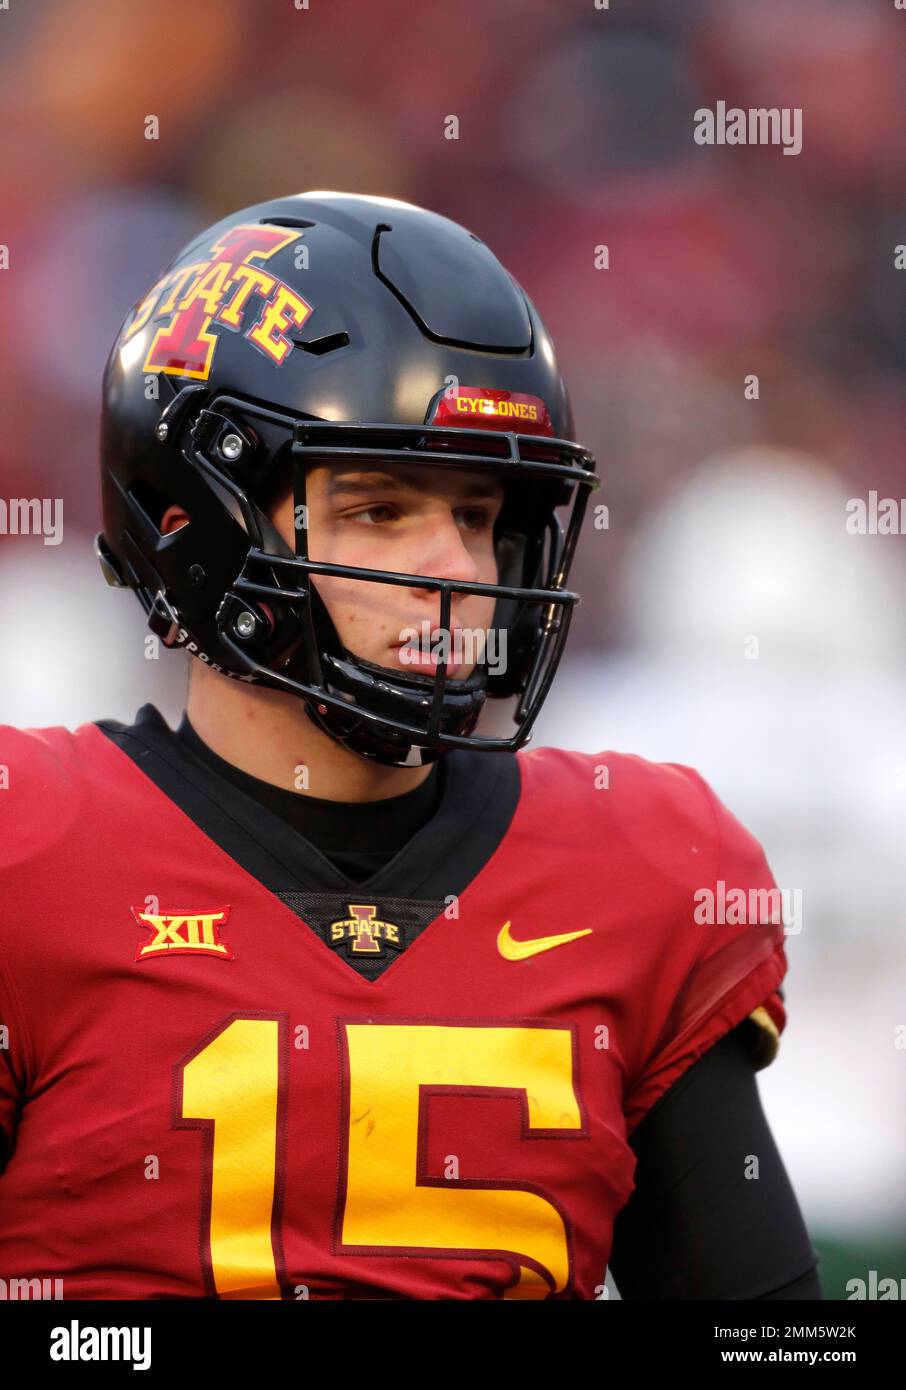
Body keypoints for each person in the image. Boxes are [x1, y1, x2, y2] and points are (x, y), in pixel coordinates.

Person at [0, 192, 821, 1300]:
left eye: (479, 515)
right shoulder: (34, 860)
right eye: (380, 509)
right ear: (195, 524)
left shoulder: (646, 869)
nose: (457, 570)